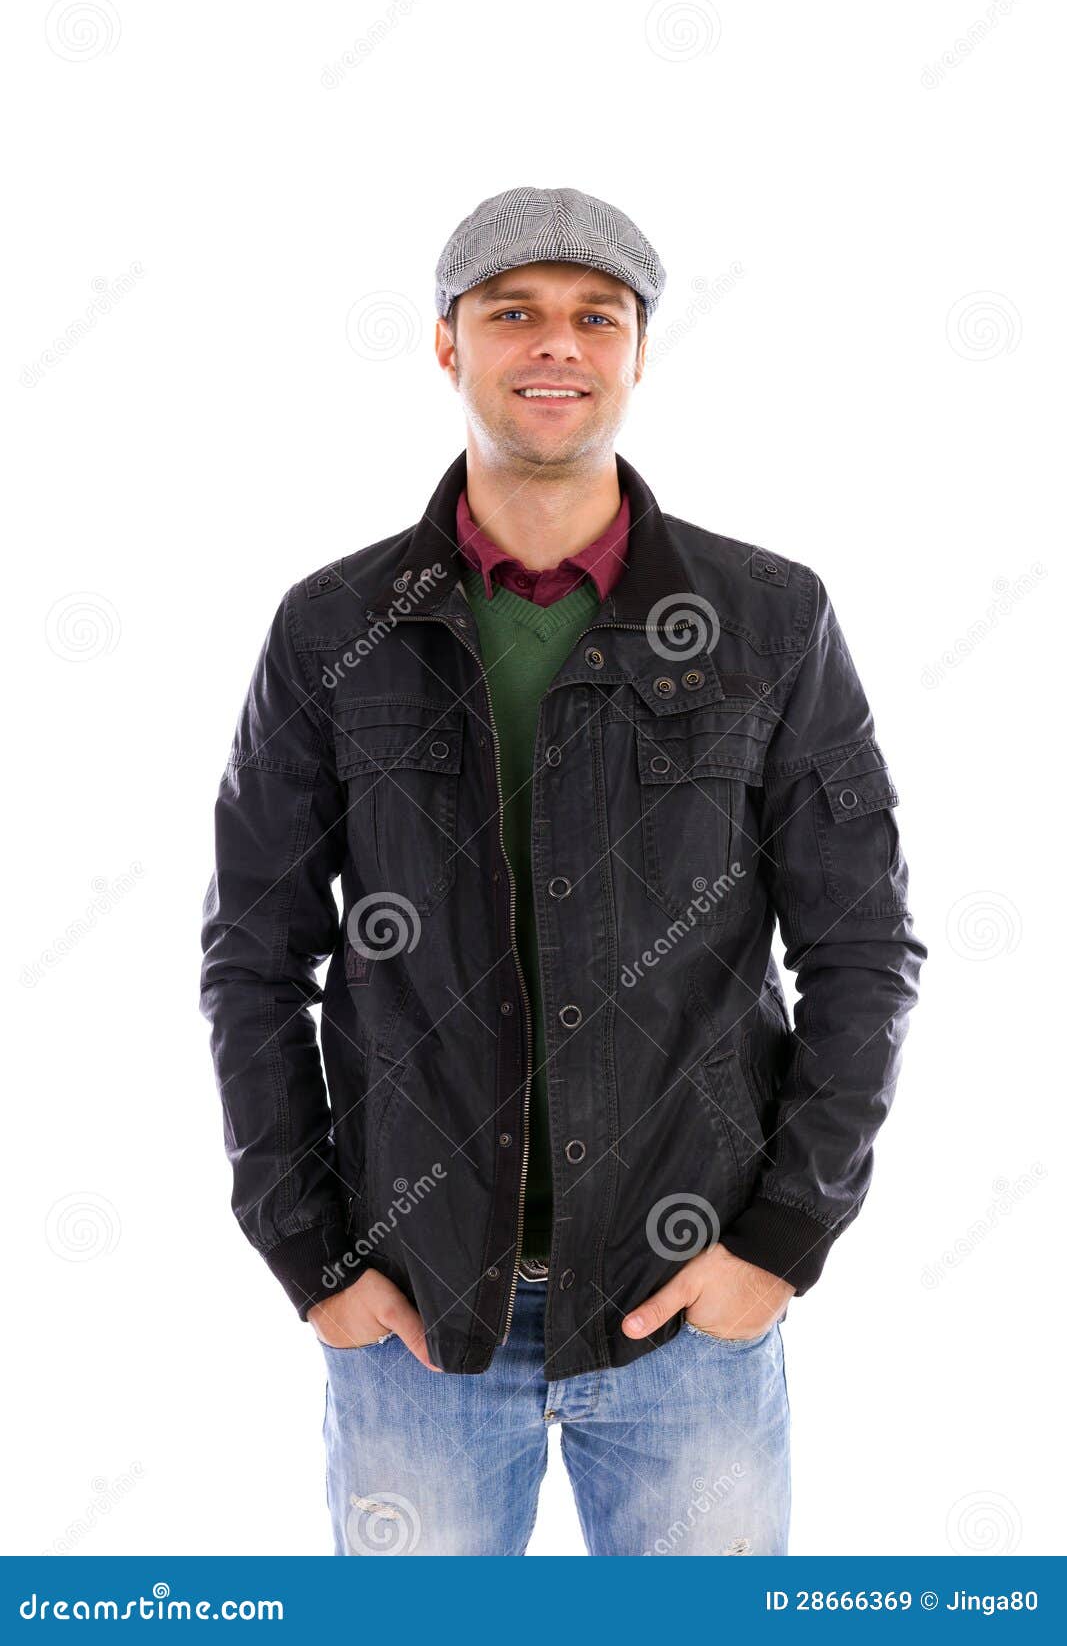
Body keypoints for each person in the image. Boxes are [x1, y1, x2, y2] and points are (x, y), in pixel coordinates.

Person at [200, 185, 926, 1556]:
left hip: (684, 1315)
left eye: (597, 317)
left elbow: (862, 946)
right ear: (445, 345)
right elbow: (251, 953)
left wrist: (778, 1239)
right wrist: (311, 1254)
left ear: (639, 351)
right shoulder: (335, 625)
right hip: (415, 1319)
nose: (557, 346)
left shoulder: (770, 617)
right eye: (513, 313)